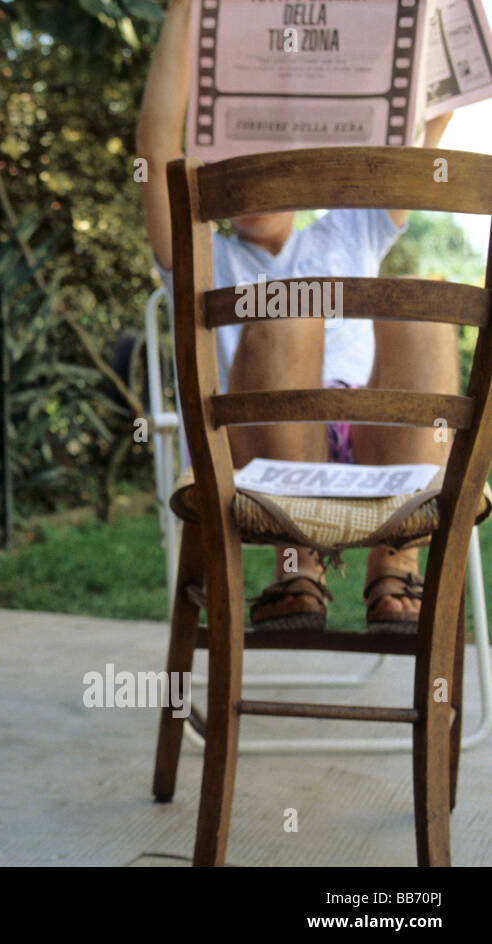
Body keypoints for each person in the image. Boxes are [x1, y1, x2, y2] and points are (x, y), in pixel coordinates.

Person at [137, 0, 457, 632]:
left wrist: (443, 21)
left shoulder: (350, 230)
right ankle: (296, 564)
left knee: (424, 310)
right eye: (227, 153)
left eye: (263, 146)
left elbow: (424, 126)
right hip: (264, 462)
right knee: (289, 311)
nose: (248, 168)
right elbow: (154, 146)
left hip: (377, 455)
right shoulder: (201, 256)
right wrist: (182, 11)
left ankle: (396, 560)